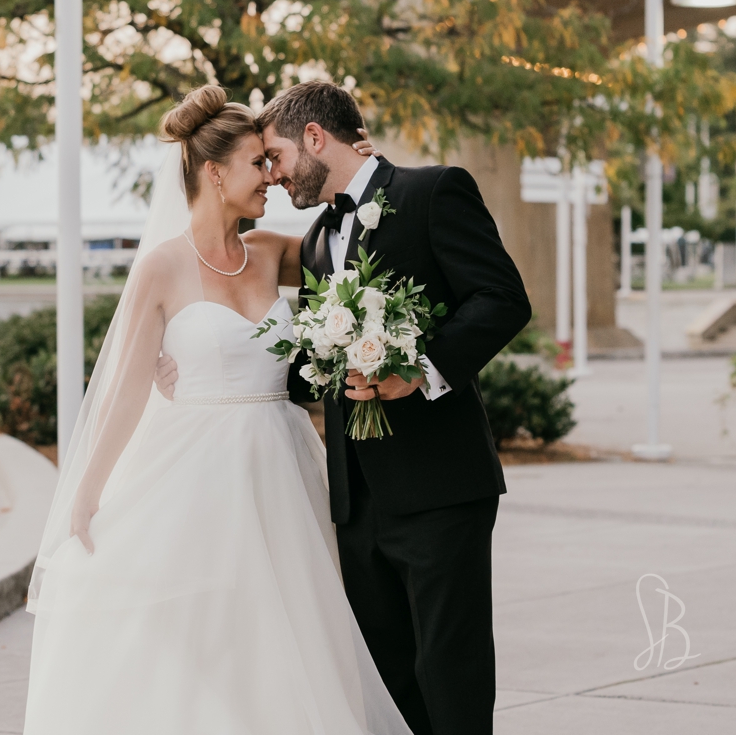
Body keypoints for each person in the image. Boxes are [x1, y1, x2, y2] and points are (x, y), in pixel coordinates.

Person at [23, 86, 411, 734]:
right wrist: (87, 491)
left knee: (290, 629)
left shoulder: (275, 251)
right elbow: (126, 390)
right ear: (214, 172)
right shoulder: (161, 268)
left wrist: (359, 164)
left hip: (283, 467)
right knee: (205, 635)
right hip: (196, 473)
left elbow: (355, 238)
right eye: (258, 163)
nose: (272, 177)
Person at [158, 81, 531, 735]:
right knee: (386, 681)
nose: (273, 175)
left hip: (440, 487)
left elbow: (501, 298)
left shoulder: (433, 191)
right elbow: (315, 363)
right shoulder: (318, 239)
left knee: (452, 669)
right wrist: (203, 371)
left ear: (314, 138)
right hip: (354, 503)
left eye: (275, 157)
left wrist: (421, 370)